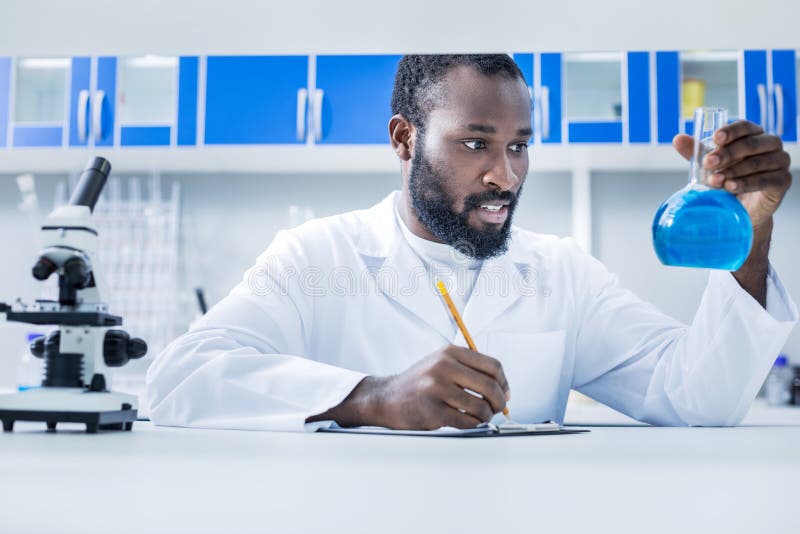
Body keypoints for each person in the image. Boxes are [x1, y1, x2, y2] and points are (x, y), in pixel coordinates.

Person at [146, 54, 797, 432]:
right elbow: (176, 380)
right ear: (404, 138)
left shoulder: (561, 272)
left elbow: (699, 399)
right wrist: (371, 397)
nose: (504, 175)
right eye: (476, 143)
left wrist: (753, 233)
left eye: (519, 146)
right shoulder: (316, 257)